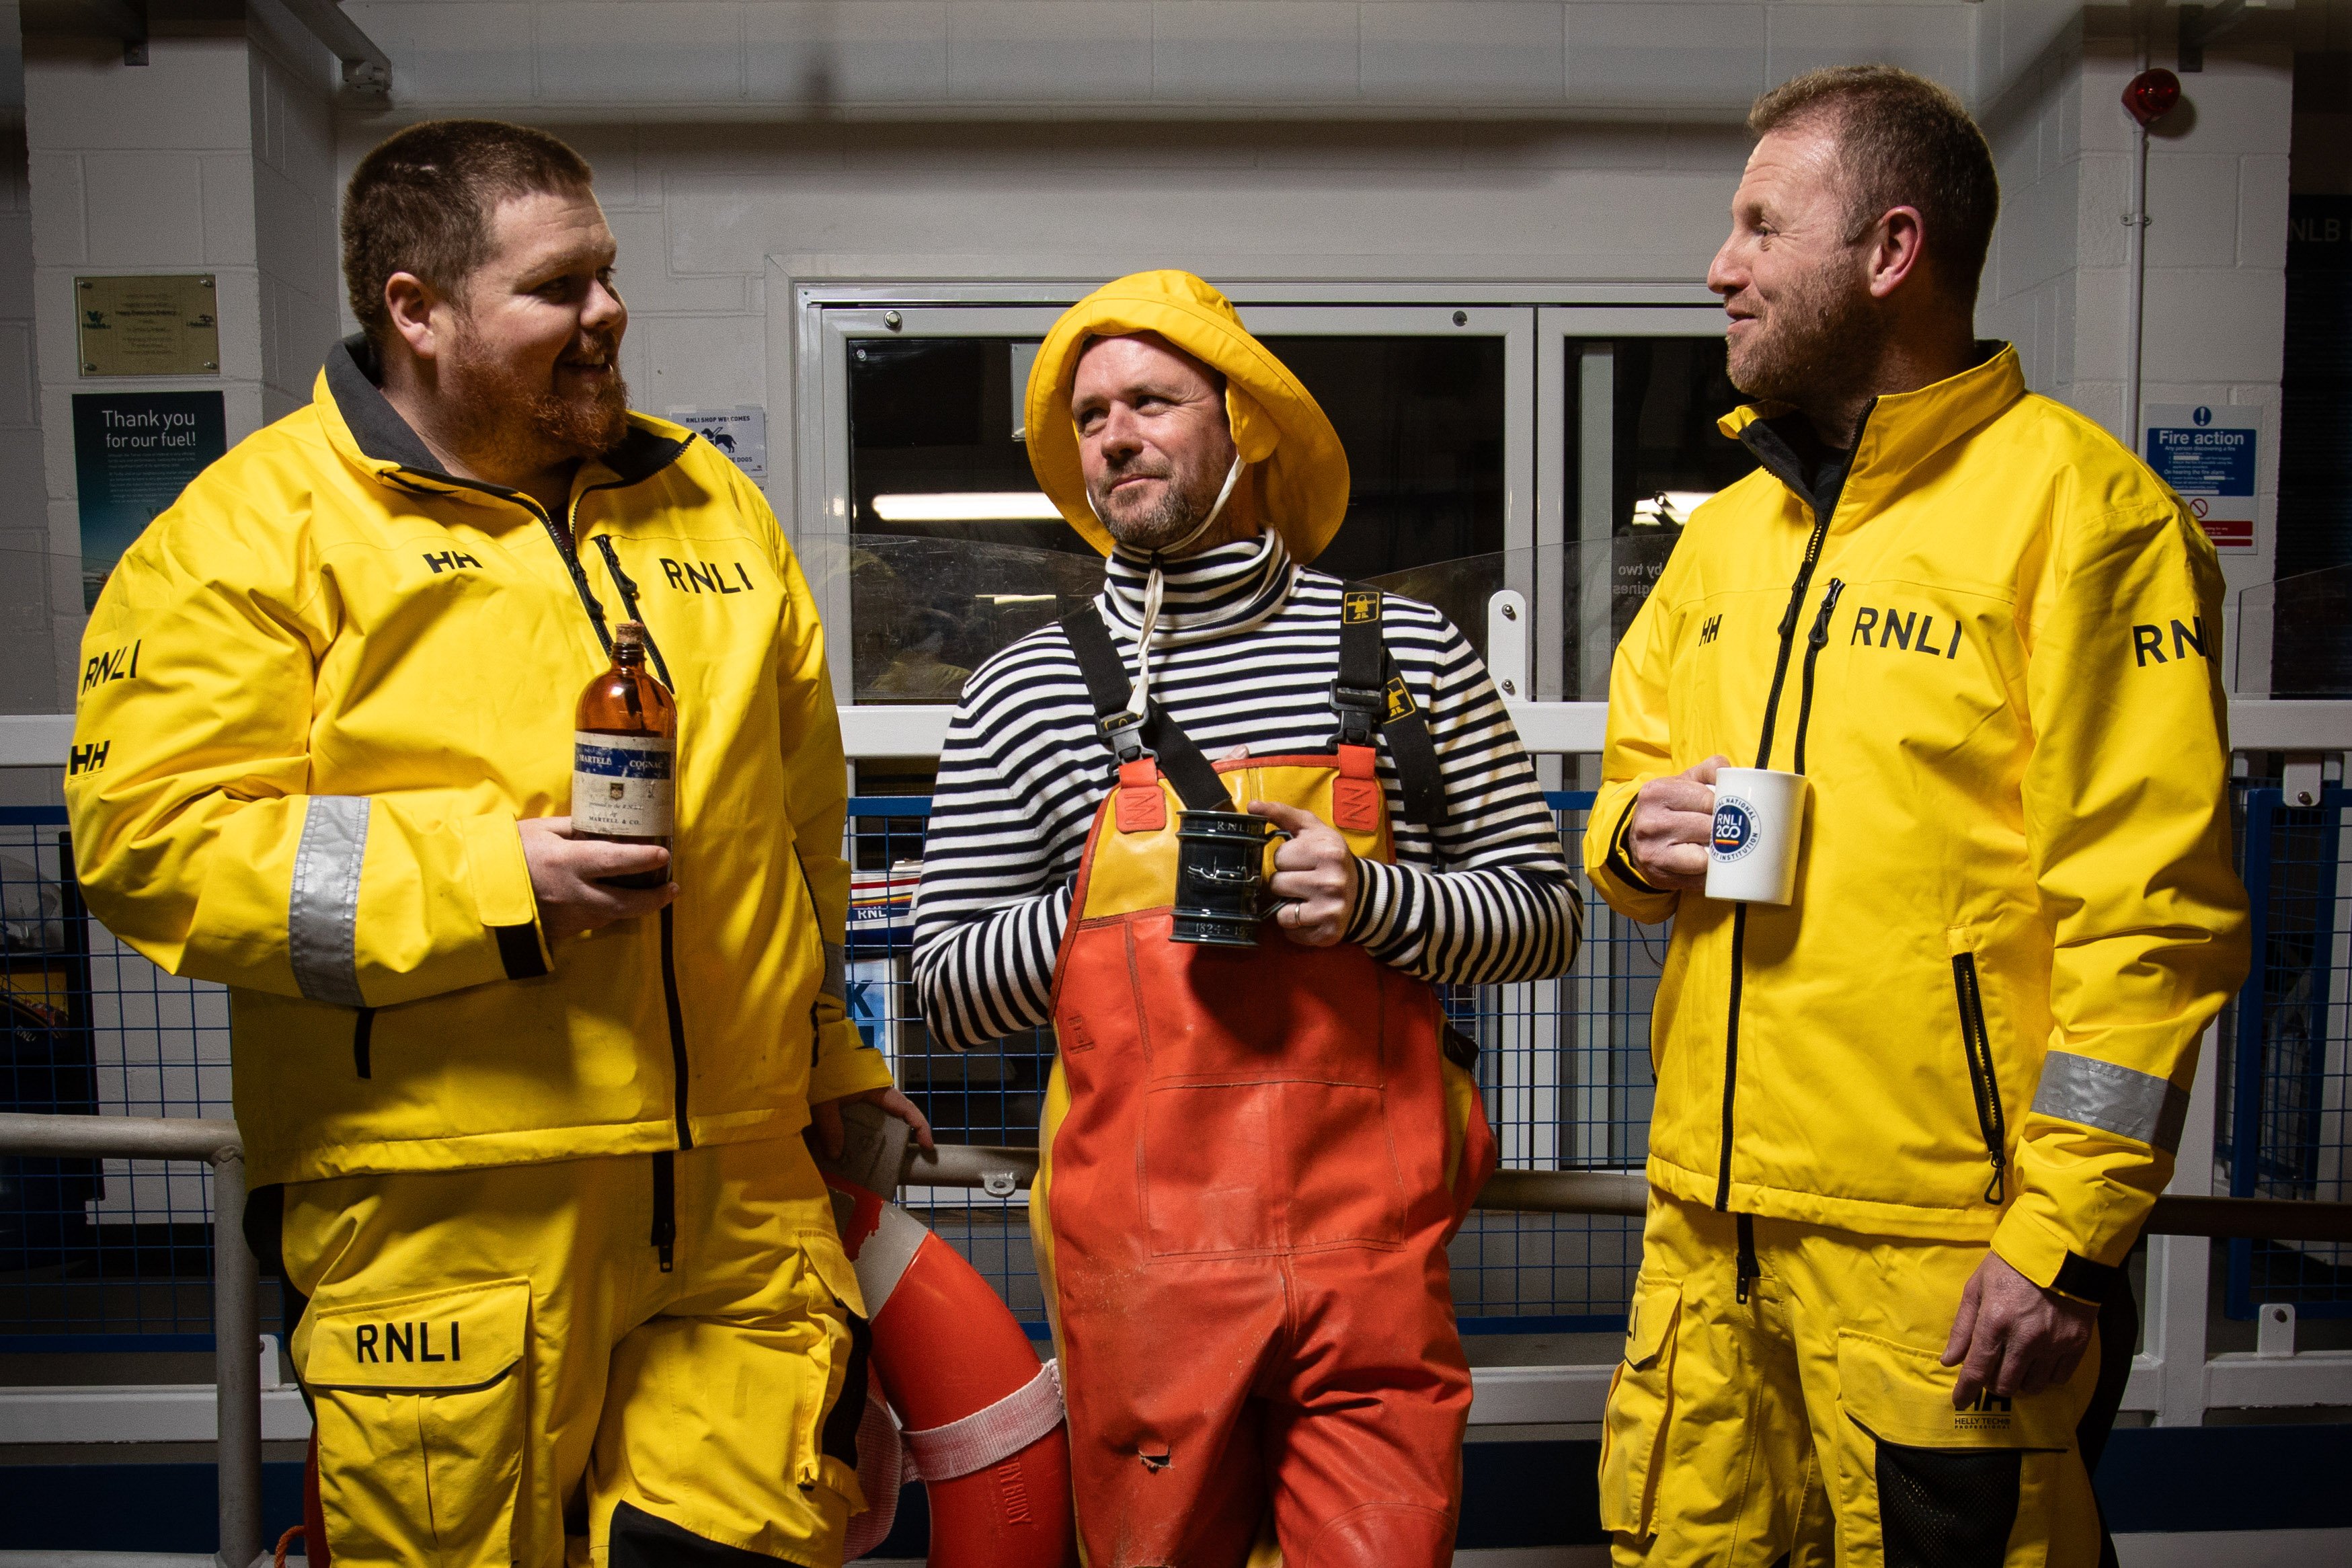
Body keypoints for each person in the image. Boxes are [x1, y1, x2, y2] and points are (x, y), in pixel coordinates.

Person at [65, 120, 928, 1567]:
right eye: (556, 287)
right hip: (446, 1209)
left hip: (733, 1190)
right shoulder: (250, 531)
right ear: (417, 309)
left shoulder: (714, 507)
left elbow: (795, 841)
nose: (606, 314)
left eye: (607, 274)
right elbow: (152, 838)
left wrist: (832, 1058)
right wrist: (491, 881)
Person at [1583, 67, 2248, 1567]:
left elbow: (2151, 921)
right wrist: (1631, 837)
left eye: (1761, 225)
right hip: (1709, 1236)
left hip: (1947, 1255)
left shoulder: (2089, 522)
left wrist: (2063, 1237)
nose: (1720, 266)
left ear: (1890, 251)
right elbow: (1627, 798)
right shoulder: (1723, 540)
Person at [910, 269, 1581, 1568]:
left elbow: (1541, 916)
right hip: (1141, 1276)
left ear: (1244, 426)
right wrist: (1109, 903)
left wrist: (1375, 900)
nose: (1113, 435)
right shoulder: (1023, 685)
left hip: (1371, 1262)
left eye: (1152, 401)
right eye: (1090, 415)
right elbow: (946, 987)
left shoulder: (1402, 655)